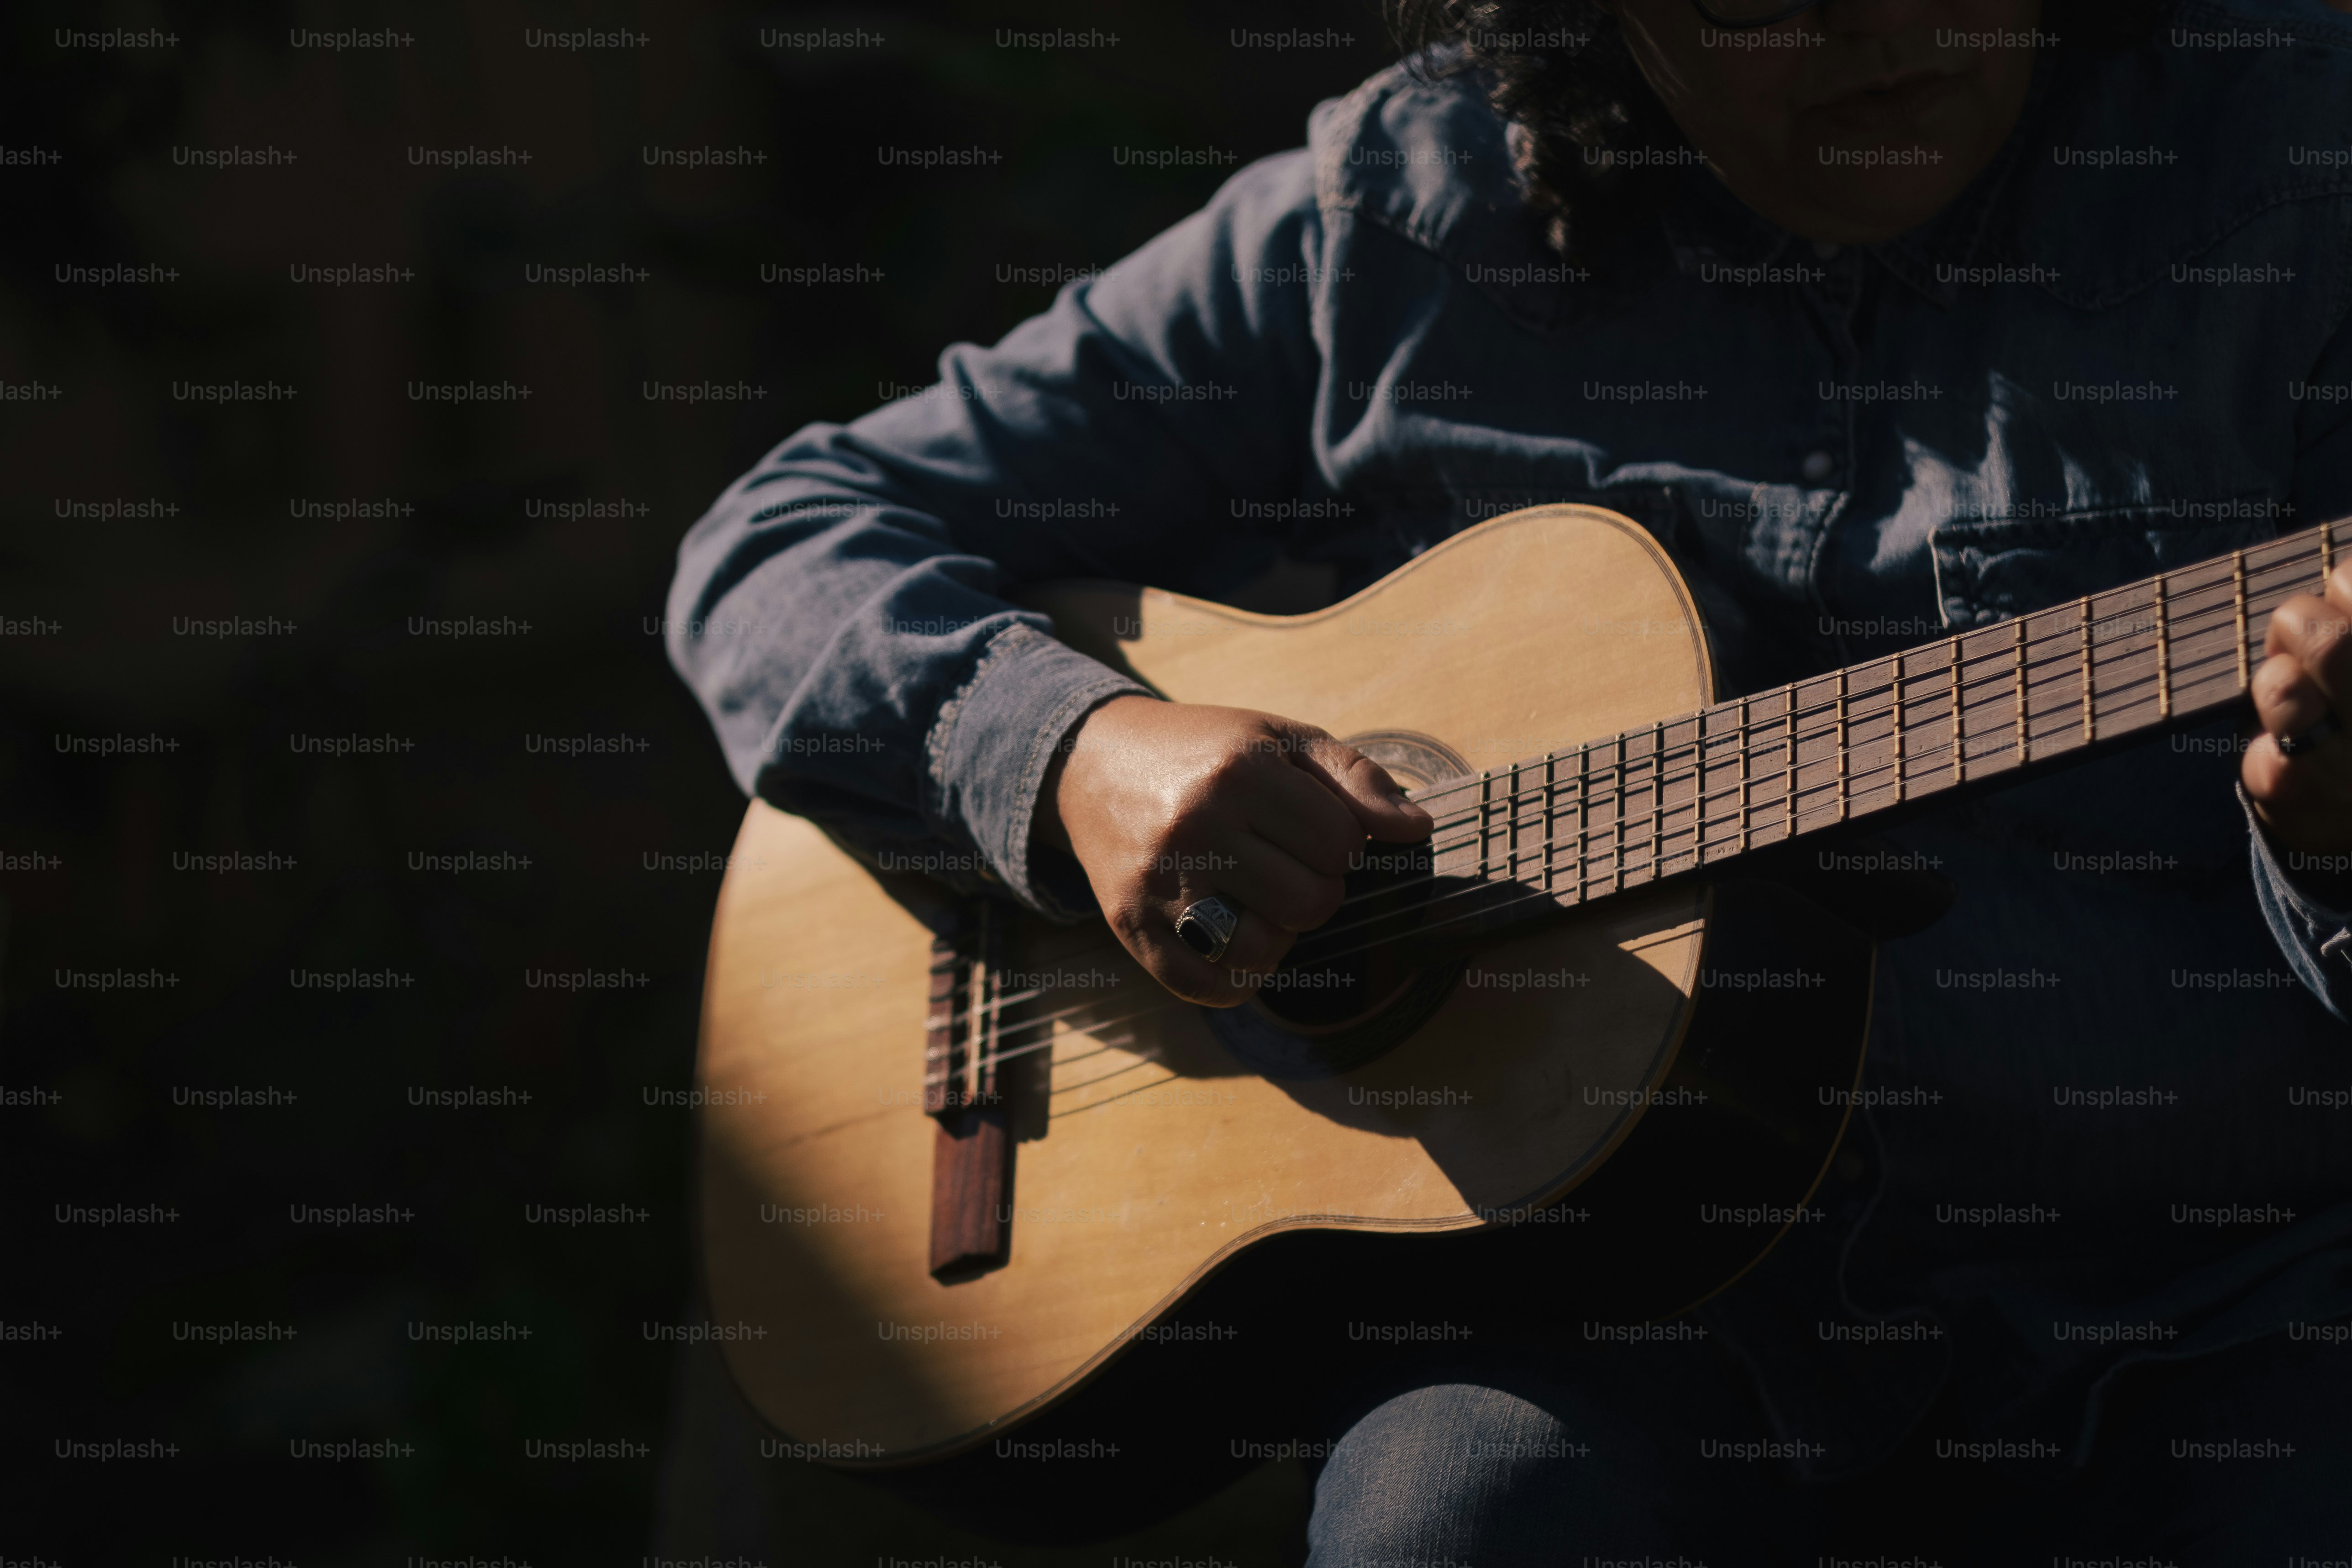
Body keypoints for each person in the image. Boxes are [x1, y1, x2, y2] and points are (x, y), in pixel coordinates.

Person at [666, 0, 2352, 1557]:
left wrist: (2333, 850)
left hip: (2213, 1293)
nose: (1869, 22)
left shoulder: (2300, 163)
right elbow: (775, 547)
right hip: (1616, 1332)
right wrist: (1068, 757)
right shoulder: (1408, 213)